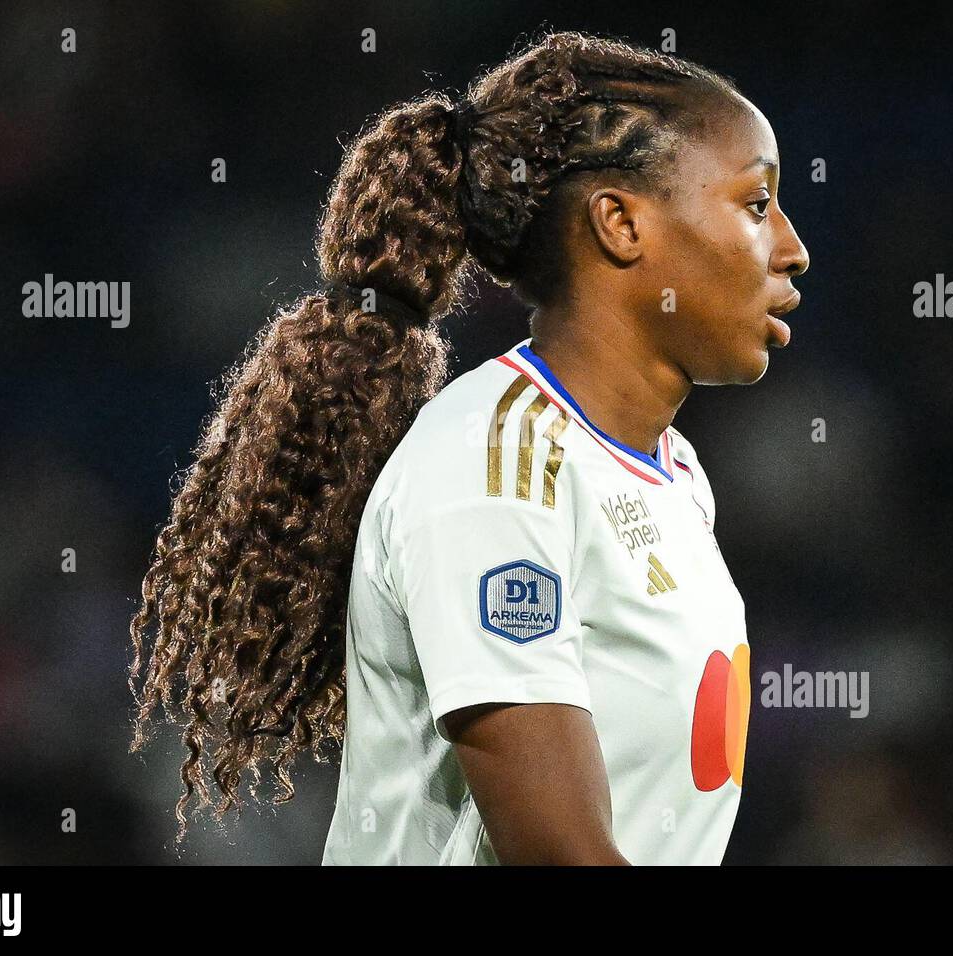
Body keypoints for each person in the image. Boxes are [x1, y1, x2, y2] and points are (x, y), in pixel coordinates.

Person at [128, 30, 808, 865]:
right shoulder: (492, 472)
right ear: (622, 224)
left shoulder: (674, 475)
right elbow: (560, 855)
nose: (790, 247)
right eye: (753, 203)